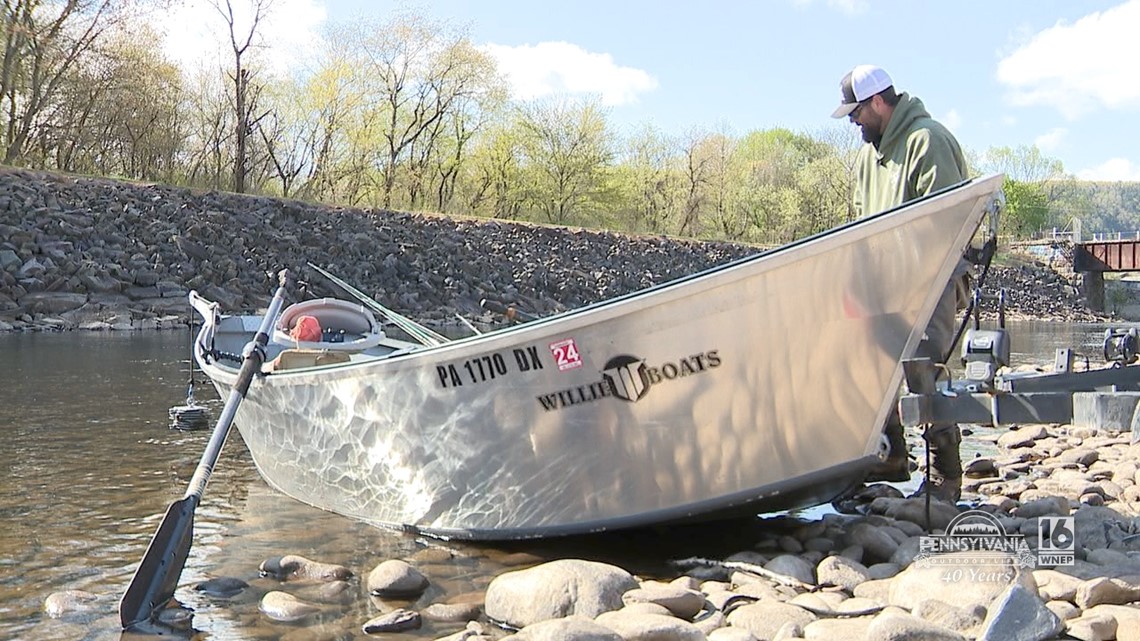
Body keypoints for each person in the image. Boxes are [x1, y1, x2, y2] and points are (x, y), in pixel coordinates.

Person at [831, 64, 969, 503]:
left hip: (931, 282)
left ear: (878, 102)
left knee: (924, 373)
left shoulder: (928, 140)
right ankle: (891, 457)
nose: (853, 122)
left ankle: (948, 475)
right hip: (882, 286)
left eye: (856, 113)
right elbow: (860, 225)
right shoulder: (867, 157)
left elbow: (947, 224)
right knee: (867, 366)